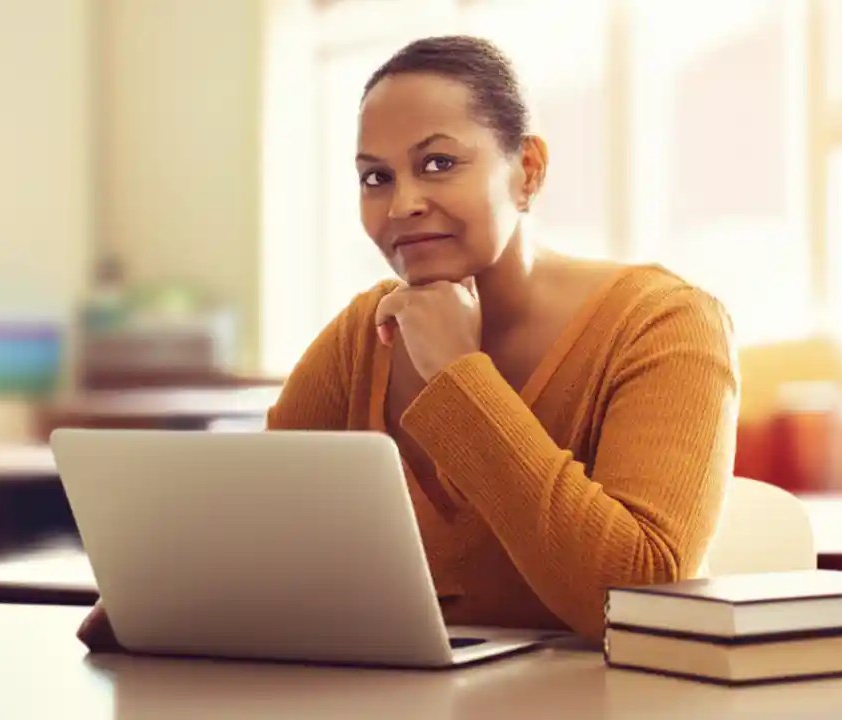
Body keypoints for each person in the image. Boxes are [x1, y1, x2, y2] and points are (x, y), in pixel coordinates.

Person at [77, 35, 737, 650]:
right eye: (376, 177)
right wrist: (161, 588)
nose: (401, 205)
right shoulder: (361, 338)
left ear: (527, 170)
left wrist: (459, 376)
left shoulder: (666, 326)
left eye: (439, 163)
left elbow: (639, 597)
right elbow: (259, 535)